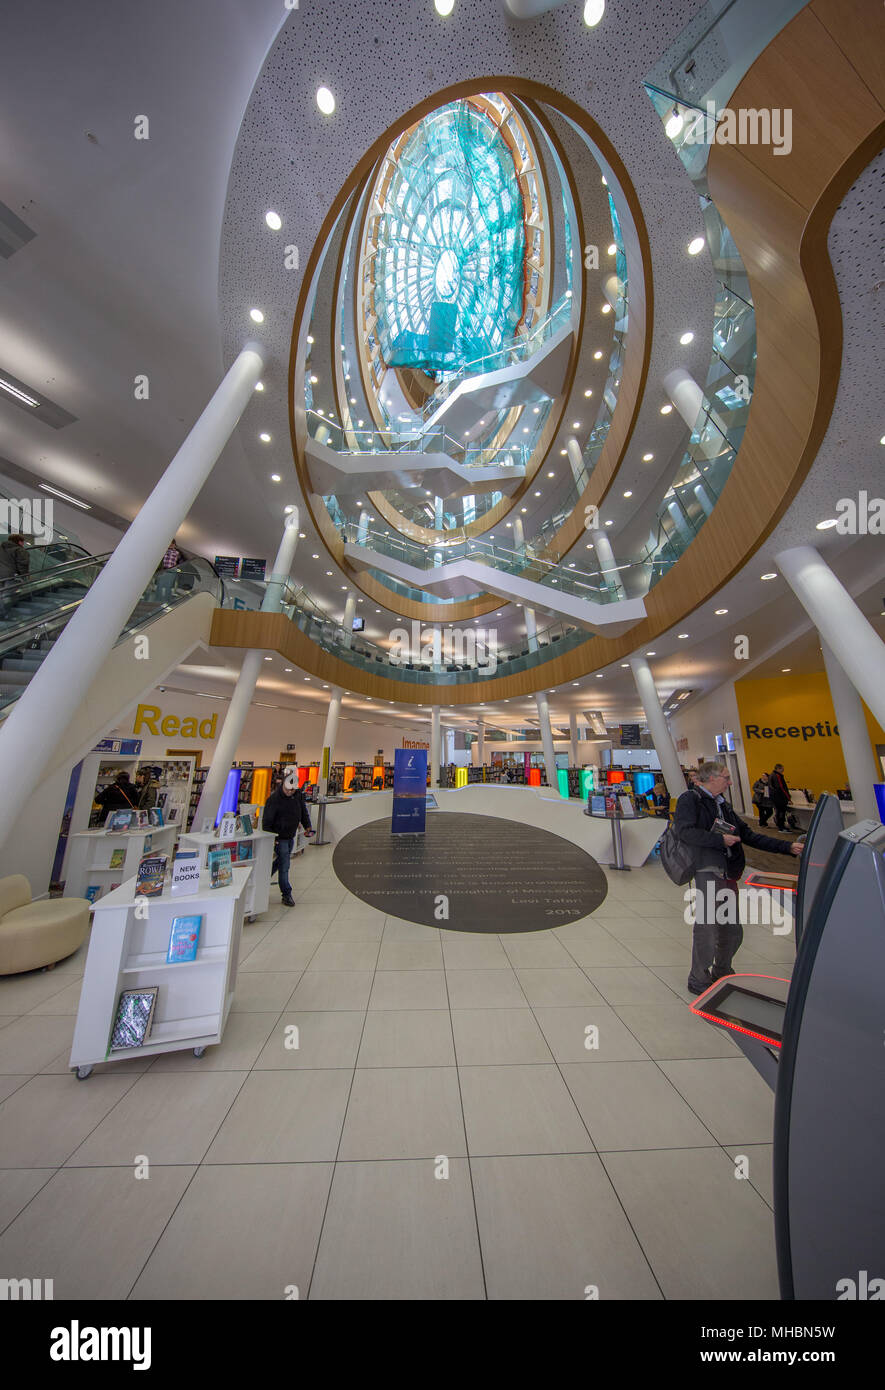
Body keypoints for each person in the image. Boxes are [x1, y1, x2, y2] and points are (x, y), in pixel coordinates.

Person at [674, 761, 803, 995]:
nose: (730, 782)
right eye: (725, 777)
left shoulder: (723, 805)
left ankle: (722, 971)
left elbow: (748, 835)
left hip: (728, 872)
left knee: (732, 930)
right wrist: (719, 841)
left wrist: (787, 847)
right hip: (707, 870)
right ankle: (699, 977)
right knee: (707, 927)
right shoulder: (690, 800)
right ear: (711, 778)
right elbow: (684, 832)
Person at [262, 771, 314, 907]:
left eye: (293, 790)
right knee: (285, 865)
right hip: (280, 837)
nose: (290, 792)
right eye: (288, 789)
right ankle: (286, 894)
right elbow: (266, 821)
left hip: (291, 835)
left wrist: (307, 826)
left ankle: (262, 878)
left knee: (281, 861)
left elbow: (303, 812)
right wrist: (272, 838)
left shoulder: (297, 796)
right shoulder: (274, 800)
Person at [769, 763, 793, 831]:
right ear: (778, 768)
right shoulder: (777, 776)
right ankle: (781, 827)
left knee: (778, 812)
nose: (783, 770)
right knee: (781, 812)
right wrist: (788, 798)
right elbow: (781, 788)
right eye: (782, 768)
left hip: (775, 797)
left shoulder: (771, 775)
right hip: (779, 798)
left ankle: (780, 825)